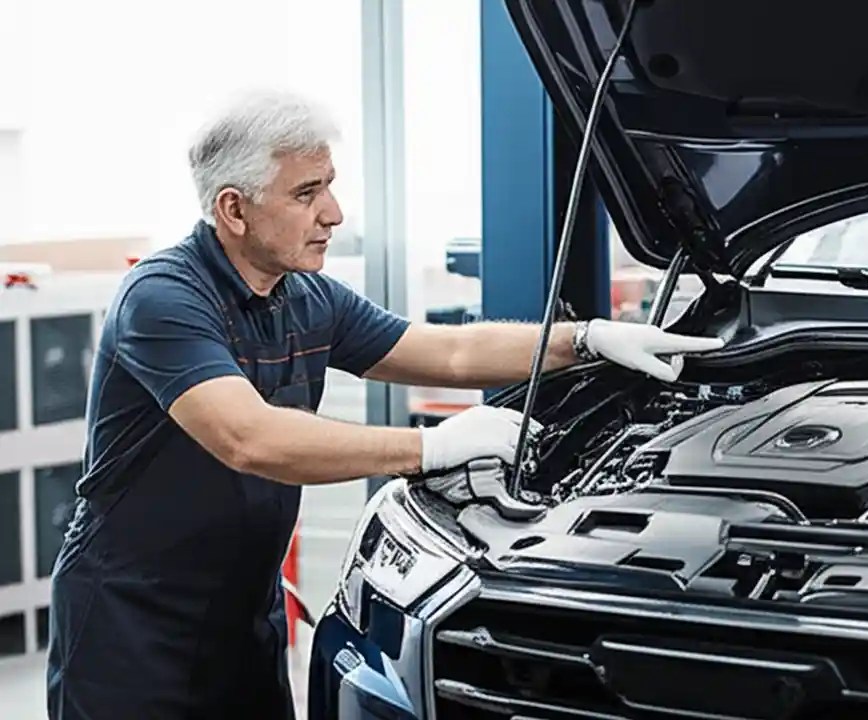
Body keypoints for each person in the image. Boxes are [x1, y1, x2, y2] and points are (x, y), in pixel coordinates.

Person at [44, 89, 723, 719]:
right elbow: (247, 439)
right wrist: (429, 449)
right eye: (307, 193)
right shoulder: (164, 298)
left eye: (330, 187)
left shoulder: (306, 297)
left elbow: (449, 352)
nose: (333, 214)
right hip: (130, 628)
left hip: (243, 620)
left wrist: (586, 339)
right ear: (233, 208)